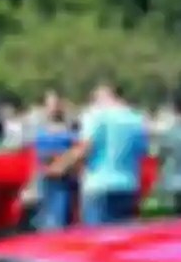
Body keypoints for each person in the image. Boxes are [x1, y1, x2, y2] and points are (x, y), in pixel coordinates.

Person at [49, 80, 148, 225]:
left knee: (97, 235)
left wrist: (59, 166)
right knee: (124, 234)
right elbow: (142, 152)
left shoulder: (97, 115)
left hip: (98, 186)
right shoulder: (136, 119)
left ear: (102, 96)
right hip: (129, 185)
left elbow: (85, 148)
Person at [28, 92, 79, 230]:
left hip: (64, 175)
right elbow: (32, 152)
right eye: (50, 104)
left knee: (62, 213)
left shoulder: (71, 127)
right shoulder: (38, 127)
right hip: (44, 174)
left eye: (56, 104)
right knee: (43, 213)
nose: (54, 108)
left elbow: (77, 149)